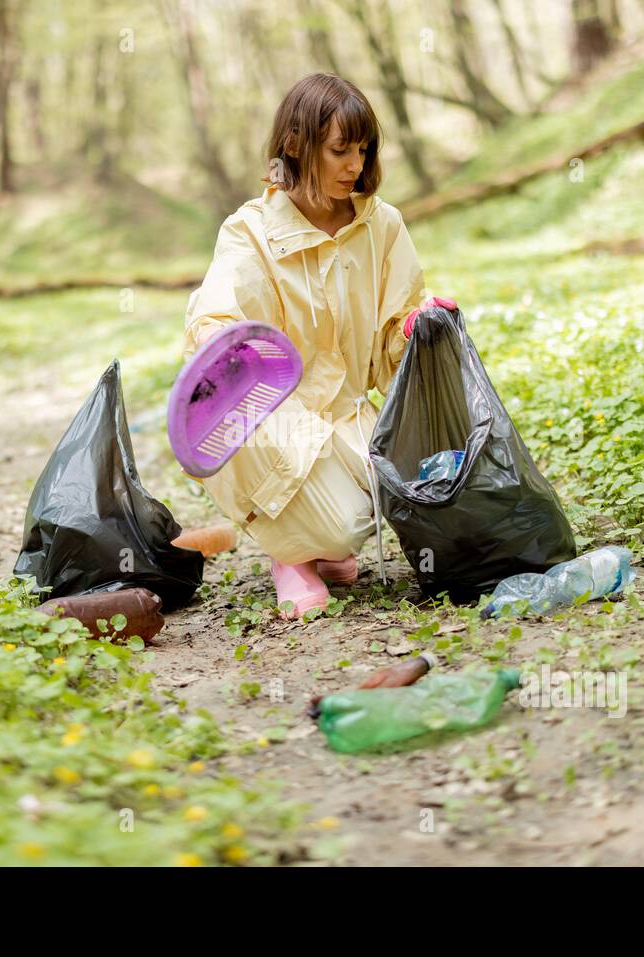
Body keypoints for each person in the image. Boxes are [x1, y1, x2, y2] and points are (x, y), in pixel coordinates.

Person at [181, 73, 454, 619]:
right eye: (339, 151)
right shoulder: (250, 231)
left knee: (401, 501)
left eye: (362, 150)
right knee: (337, 520)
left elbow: (391, 335)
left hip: (348, 414)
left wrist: (414, 328)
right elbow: (215, 321)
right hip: (270, 417)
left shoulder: (382, 226)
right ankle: (294, 560)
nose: (354, 165)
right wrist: (222, 344)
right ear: (294, 144)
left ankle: (321, 544)